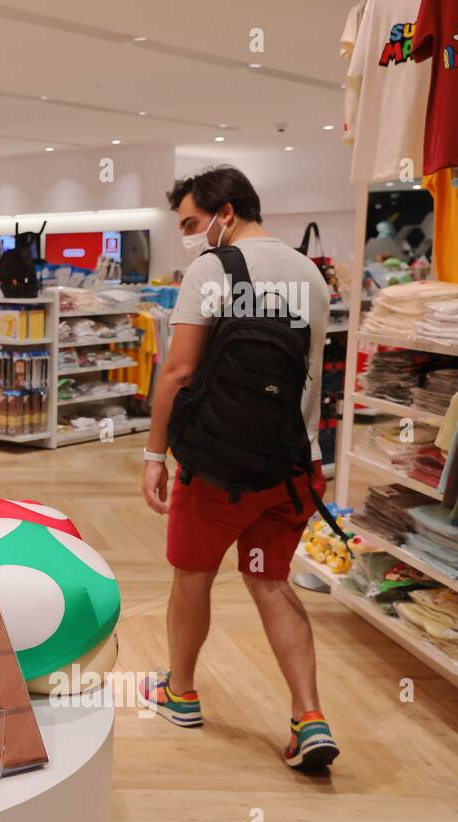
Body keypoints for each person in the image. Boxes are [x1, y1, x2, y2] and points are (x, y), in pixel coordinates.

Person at [136, 165, 339, 771]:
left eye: (194, 224)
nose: (191, 239)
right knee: (268, 579)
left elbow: (177, 372)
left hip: (219, 473)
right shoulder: (312, 275)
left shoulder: (213, 270)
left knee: (193, 576)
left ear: (227, 214)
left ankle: (182, 693)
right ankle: (309, 716)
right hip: (295, 468)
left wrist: (154, 454)